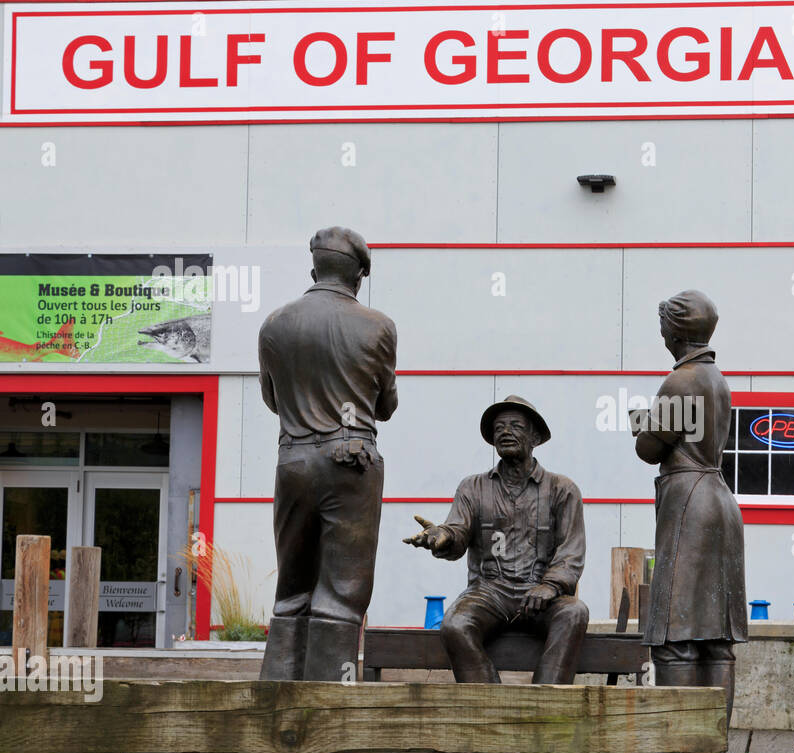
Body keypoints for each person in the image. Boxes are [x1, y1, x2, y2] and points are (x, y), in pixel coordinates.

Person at [257, 226, 398, 682]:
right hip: (350, 462)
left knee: (291, 590)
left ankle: (276, 707)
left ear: (313, 268)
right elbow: (386, 407)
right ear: (359, 276)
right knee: (341, 593)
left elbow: (273, 400)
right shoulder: (378, 326)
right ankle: (329, 709)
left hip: (293, 461)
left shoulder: (275, 323)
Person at [403, 396, 589, 683]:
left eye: (516, 426)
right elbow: (457, 530)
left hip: (540, 592)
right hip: (490, 592)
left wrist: (550, 586)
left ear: (535, 437)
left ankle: (548, 707)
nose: (505, 431)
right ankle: (489, 706)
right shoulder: (473, 487)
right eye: (499, 427)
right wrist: (442, 536)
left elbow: (571, 552)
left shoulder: (562, 490)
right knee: (455, 625)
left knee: (574, 613)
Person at [633, 290, 747, 721]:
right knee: (716, 633)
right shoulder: (716, 378)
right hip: (719, 499)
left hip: (689, 503)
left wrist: (641, 421)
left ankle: (680, 735)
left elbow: (649, 448)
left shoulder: (680, 381)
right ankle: (712, 733)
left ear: (674, 331)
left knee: (675, 630)